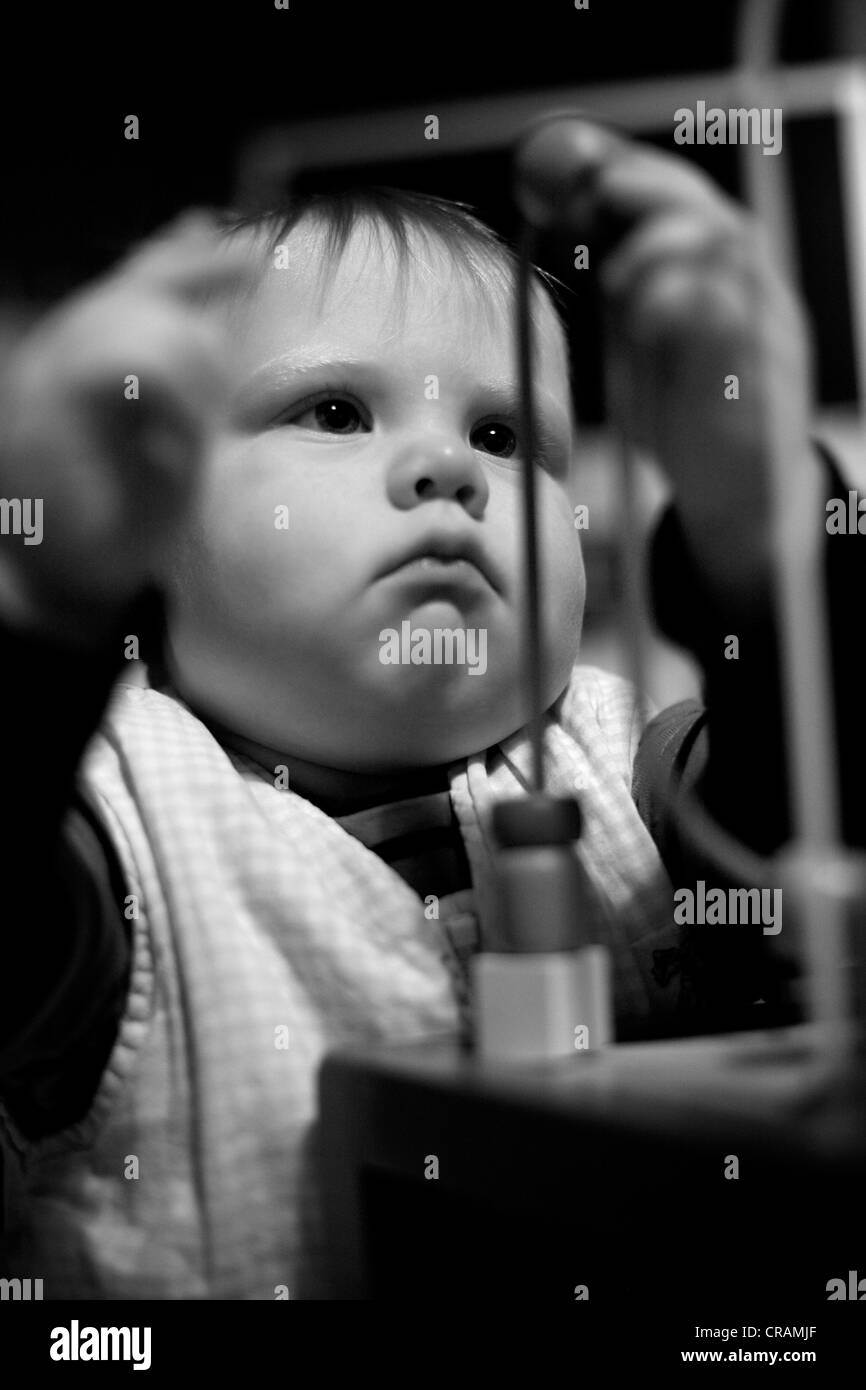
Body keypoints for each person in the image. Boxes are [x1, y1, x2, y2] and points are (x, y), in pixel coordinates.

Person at [0, 130, 853, 1298]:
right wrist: (40, 606)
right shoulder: (118, 818)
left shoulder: (629, 767)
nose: (443, 469)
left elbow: (813, 798)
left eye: (501, 437)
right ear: (153, 518)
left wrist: (759, 530)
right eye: (335, 410)